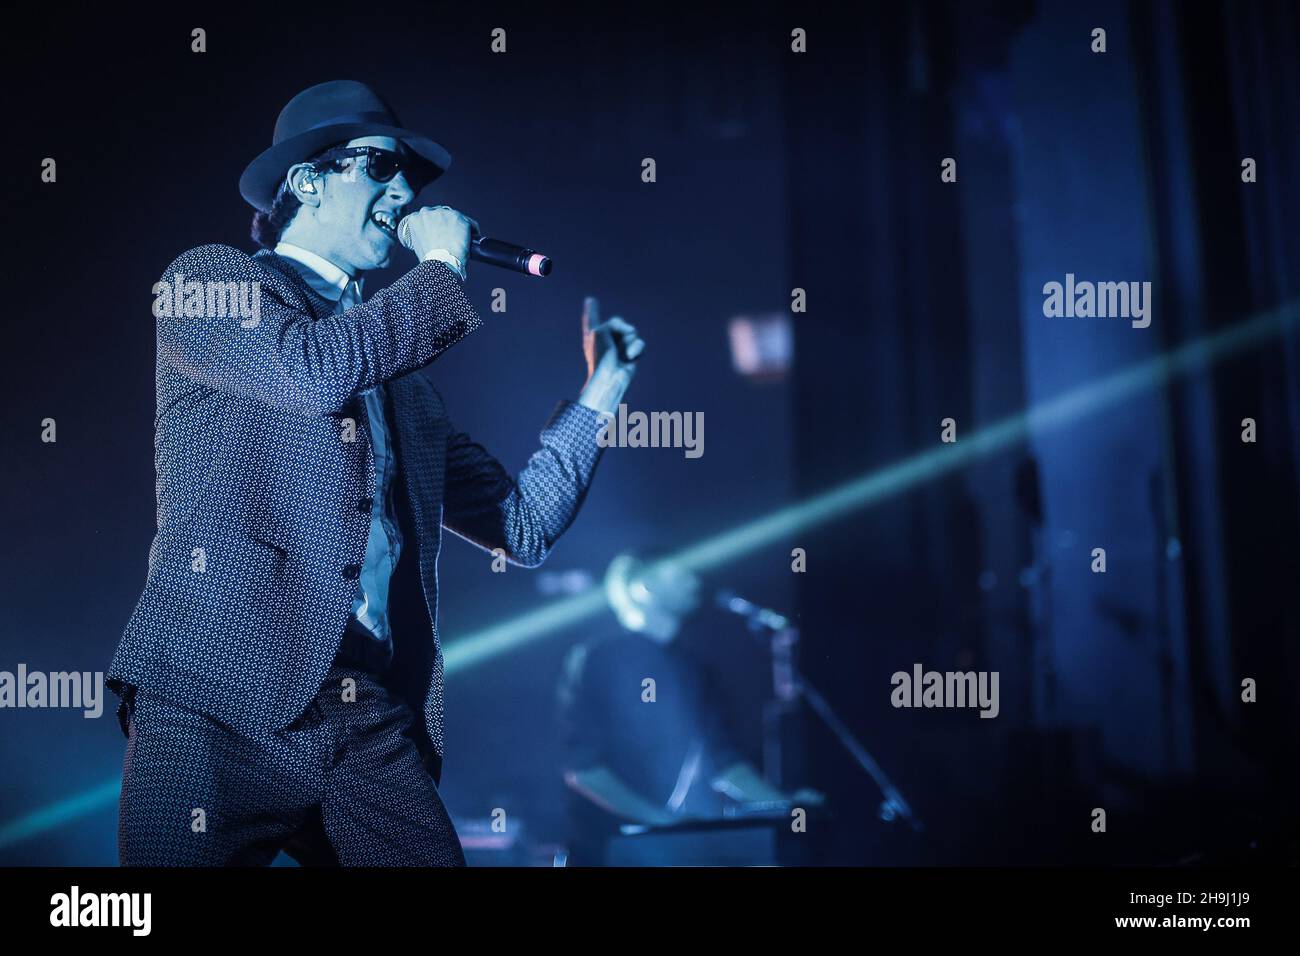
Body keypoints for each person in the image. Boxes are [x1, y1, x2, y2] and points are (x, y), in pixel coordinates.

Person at [108, 80, 644, 866]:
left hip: (363, 711)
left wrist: (604, 392)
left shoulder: (405, 388)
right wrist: (438, 270)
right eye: (381, 166)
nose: (403, 191)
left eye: (414, 181)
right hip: (214, 696)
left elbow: (521, 526)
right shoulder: (209, 282)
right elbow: (311, 374)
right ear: (307, 180)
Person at [557, 556, 822, 865]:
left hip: (657, 847)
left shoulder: (692, 668)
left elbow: (723, 761)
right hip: (602, 849)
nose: (694, 581)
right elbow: (584, 768)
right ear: (643, 587)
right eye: (679, 574)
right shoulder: (597, 659)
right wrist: (660, 820)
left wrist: (783, 805)